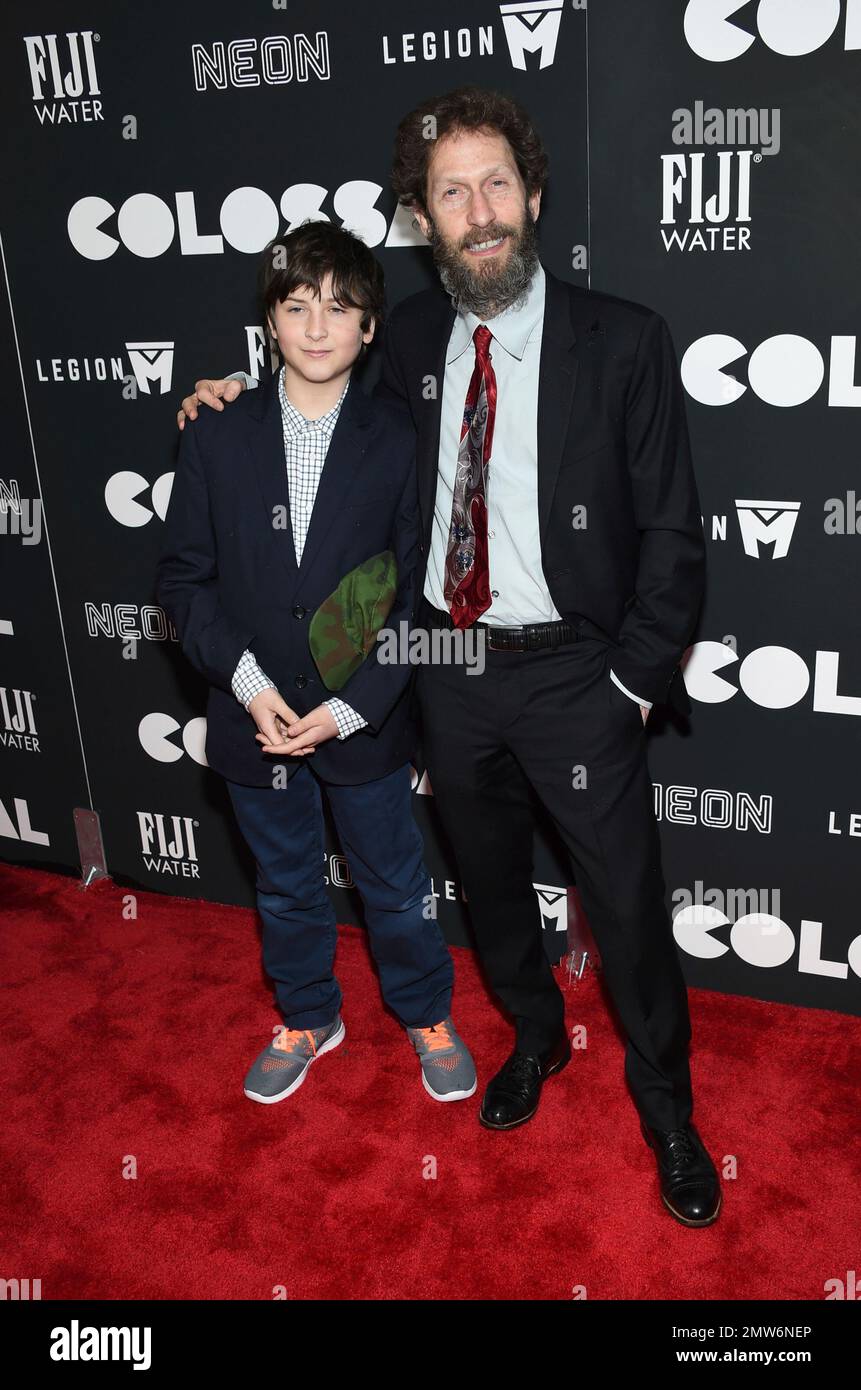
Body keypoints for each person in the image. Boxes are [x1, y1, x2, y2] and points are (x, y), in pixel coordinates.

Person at [176, 87, 720, 1227]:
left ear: (533, 196)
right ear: (421, 218)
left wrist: (630, 682)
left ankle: (669, 1107)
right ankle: (531, 1038)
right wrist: (223, 402)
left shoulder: (623, 340)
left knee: (622, 905)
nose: (477, 212)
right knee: (488, 891)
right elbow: (311, 402)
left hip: (582, 675)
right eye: (450, 193)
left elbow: (674, 531)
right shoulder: (409, 337)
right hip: (446, 665)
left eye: (495, 186)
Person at [156, 221, 475, 1108]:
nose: (318, 326)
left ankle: (423, 1012)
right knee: (285, 883)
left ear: (369, 326)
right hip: (250, 718)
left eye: (340, 308)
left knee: (393, 882)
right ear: (268, 320)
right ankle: (307, 1014)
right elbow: (183, 581)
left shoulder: (401, 438)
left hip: (361, 721)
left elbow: (414, 595)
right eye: (296, 306)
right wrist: (249, 687)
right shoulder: (217, 432)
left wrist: (352, 707)